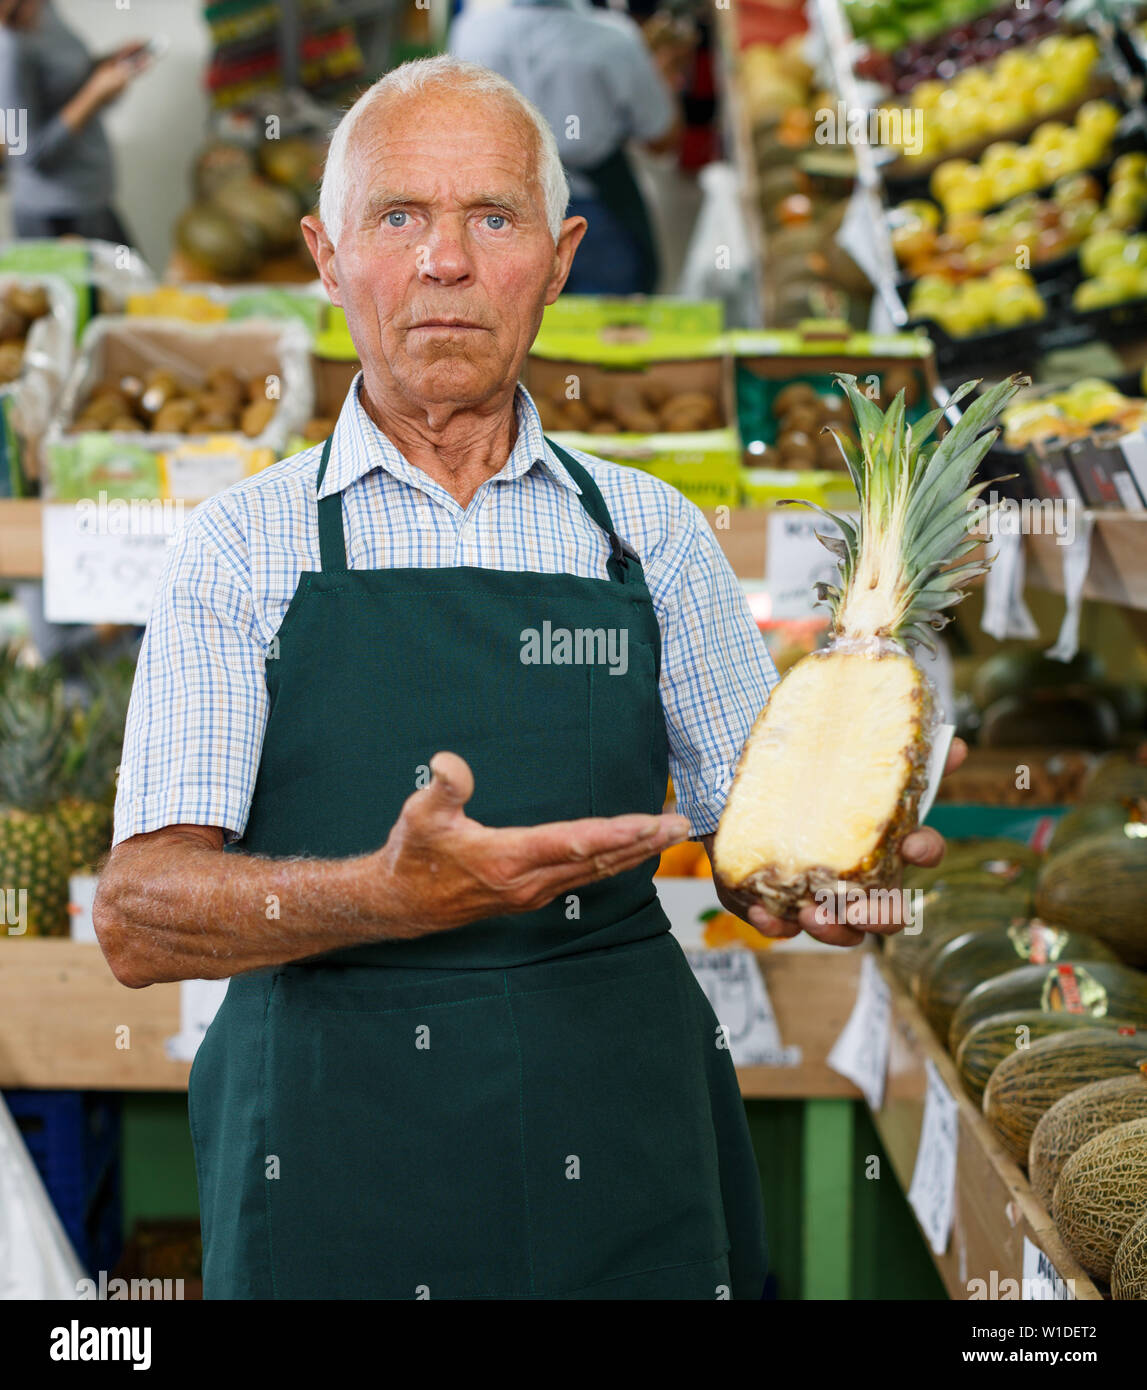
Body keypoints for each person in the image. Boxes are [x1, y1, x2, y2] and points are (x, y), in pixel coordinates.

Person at [94, 56, 962, 1301]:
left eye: (490, 218)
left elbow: (751, 863)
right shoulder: (243, 547)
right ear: (326, 257)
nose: (444, 262)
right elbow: (136, 916)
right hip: (334, 1140)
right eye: (398, 218)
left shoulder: (650, 533)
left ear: (557, 261)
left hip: (617, 1119)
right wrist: (384, 894)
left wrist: (836, 874)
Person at [450, 0, 684, 294]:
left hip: (499, 209)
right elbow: (661, 137)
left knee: (506, 323)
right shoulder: (613, 38)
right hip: (594, 212)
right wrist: (663, 72)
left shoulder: (472, 32)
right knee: (603, 331)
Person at [0, 0, 148, 241]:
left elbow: (64, 85)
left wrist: (106, 65)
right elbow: (23, 153)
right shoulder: (8, 49)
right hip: (53, 215)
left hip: (91, 198)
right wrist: (94, 95)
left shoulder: (46, 9)